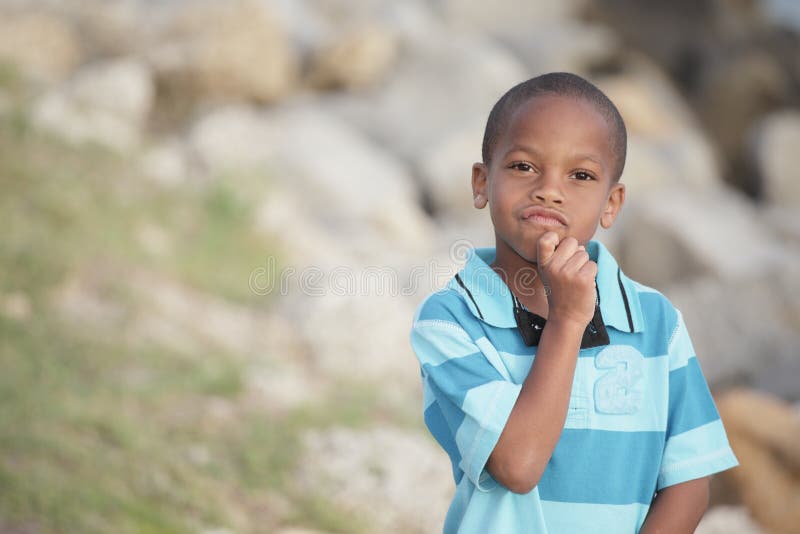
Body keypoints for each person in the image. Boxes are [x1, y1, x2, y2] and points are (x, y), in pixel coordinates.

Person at [409, 72, 738, 533]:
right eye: (524, 166)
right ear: (482, 183)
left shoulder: (656, 322)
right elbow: (518, 466)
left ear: (612, 203)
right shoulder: (451, 321)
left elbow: (689, 482)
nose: (549, 189)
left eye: (580, 175)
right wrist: (567, 319)